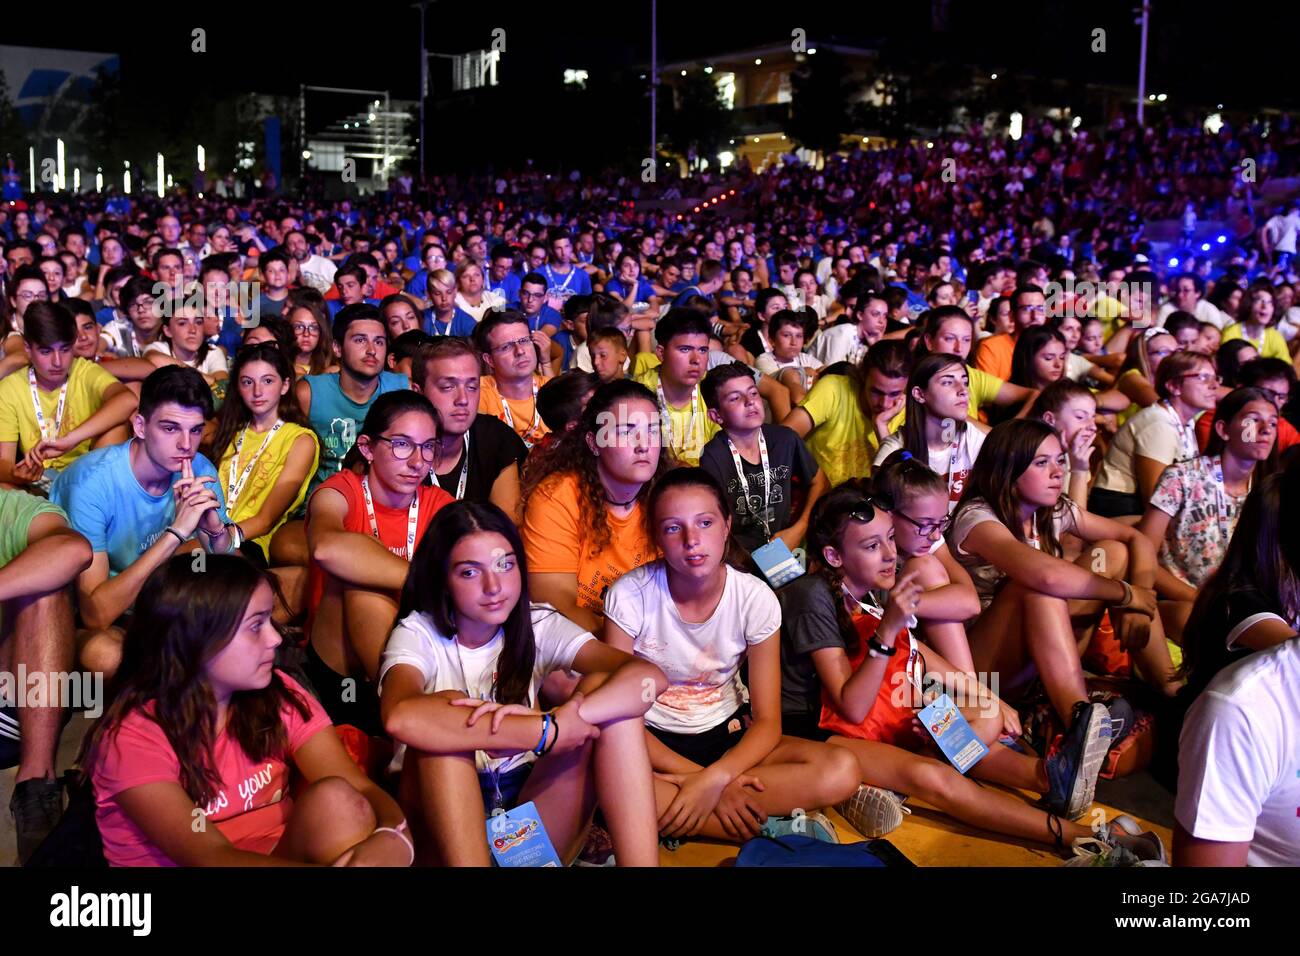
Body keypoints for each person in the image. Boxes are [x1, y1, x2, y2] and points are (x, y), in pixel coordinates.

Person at [787, 484, 1162, 859]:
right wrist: (888, 629)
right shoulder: (813, 595)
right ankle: (1087, 838)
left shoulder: (867, 585)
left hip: (876, 715)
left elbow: (919, 653)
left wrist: (988, 698)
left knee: (966, 723)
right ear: (834, 555)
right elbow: (850, 706)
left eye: (889, 539)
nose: (889, 554)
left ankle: (1049, 777)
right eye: (871, 546)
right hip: (820, 734)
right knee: (933, 776)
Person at [378, 501, 664, 866]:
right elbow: (400, 718)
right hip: (441, 811)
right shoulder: (418, 633)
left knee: (607, 694)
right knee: (444, 718)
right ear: (443, 580)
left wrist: (570, 718)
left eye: (506, 564)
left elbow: (648, 678)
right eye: (469, 573)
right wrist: (539, 731)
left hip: (524, 803)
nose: (494, 586)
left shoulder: (537, 622)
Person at [85, 555, 412, 867]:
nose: (274, 639)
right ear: (197, 641)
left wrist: (396, 836)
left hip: (278, 853)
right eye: (256, 626)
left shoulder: (276, 692)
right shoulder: (132, 737)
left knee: (339, 803)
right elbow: (210, 858)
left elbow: (360, 787)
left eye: (270, 620)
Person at [603, 468, 861, 844]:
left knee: (841, 769)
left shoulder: (754, 598)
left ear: (726, 526)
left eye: (705, 523)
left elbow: (769, 722)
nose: (692, 540)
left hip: (726, 736)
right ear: (656, 536)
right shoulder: (630, 596)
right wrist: (704, 781)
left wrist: (717, 778)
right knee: (612, 783)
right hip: (648, 741)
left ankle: (685, 812)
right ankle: (770, 831)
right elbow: (617, 716)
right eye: (674, 528)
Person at [948, 419, 1179, 727]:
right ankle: (1079, 719)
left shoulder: (1053, 510)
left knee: (1112, 552)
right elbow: (1047, 576)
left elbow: (1135, 538)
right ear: (1008, 472)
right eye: (1041, 463)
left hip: (1040, 659)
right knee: (1034, 587)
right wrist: (1125, 593)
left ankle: (1169, 689)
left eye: (1060, 460)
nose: (1057, 472)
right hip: (981, 672)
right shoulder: (977, 519)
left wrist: (1141, 597)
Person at [51, 366, 235, 679]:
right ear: (139, 425)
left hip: (152, 600)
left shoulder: (200, 467)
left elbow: (229, 574)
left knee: (231, 614)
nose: (185, 444)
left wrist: (214, 530)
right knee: (104, 655)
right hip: (81, 612)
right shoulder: (91, 484)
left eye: (195, 430)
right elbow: (96, 613)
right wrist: (175, 533)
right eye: (170, 428)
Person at [304, 392, 454, 737]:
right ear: (368, 448)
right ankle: (403, 705)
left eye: (428, 447)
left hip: (420, 658)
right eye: (402, 444)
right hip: (341, 674)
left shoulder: (439, 504)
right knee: (360, 573)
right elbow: (326, 548)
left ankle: (410, 704)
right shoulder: (342, 490)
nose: (417, 461)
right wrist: (420, 584)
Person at [522, 380, 668, 633]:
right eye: (625, 431)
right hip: (580, 644)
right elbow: (554, 604)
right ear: (593, 442)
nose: (644, 444)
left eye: (653, 430)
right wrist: (626, 643)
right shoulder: (556, 496)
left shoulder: (673, 494)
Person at [1137, 388, 1278, 646]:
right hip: (1183, 600)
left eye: (1272, 423)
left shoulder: (1269, 491)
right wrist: (1198, 598)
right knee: (1195, 621)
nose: (1266, 430)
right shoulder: (1182, 477)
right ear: (1223, 430)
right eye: (1253, 420)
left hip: (1243, 606)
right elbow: (1142, 552)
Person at [0, 487, 93, 863]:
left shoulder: (11, 506)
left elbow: (74, 551)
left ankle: (36, 782)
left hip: (12, 691)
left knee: (46, 588)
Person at [0, 301, 136, 488]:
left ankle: (91, 503)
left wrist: (68, 441)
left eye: (64, 349)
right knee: (4, 488)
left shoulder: (82, 370)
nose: (57, 362)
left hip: (88, 476)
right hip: (38, 480)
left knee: (117, 426)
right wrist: (17, 474)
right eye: (46, 351)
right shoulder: (10, 388)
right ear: (28, 349)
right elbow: (4, 462)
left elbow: (128, 400)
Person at [699, 362, 828, 556]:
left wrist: (799, 528)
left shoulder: (785, 439)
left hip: (785, 545)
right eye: (735, 398)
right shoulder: (712, 457)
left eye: (753, 393)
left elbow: (820, 482)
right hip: (736, 556)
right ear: (716, 415)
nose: (750, 401)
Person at [208, 343, 320, 565]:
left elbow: (265, 520)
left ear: (285, 385)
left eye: (267, 381)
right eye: (247, 382)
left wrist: (220, 539)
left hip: (250, 541)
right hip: (208, 533)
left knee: (191, 556)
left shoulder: (301, 440)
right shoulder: (230, 431)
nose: (257, 391)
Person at [409, 337, 528, 518]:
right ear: (418, 392)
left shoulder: (495, 438)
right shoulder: (391, 446)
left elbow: (507, 527)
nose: (463, 399)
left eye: (472, 387)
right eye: (448, 387)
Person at [1091, 350, 1219, 517]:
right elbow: (1156, 498)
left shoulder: (1185, 422)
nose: (1214, 385)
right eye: (1203, 377)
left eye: (1216, 378)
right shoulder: (1158, 423)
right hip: (1120, 510)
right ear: (1174, 386)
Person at [296, 303, 408, 492]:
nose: (372, 350)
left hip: (382, 502)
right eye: (360, 340)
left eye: (379, 342)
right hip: (321, 501)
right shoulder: (309, 393)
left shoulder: (402, 390)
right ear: (337, 348)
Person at [783, 340, 912, 487]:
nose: (885, 404)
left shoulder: (908, 412)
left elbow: (900, 485)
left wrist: (882, 429)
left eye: (895, 394)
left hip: (866, 505)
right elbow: (783, 438)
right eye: (876, 392)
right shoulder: (834, 388)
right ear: (863, 376)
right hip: (815, 496)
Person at [874, 353, 989, 511]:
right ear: (919, 394)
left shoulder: (973, 437)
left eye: (965, 382)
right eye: (948, 382)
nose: (963, 390)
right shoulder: (893, 450)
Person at [633, 308, 720, 466]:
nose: (696, 360)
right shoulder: (637, 394)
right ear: (661, 353)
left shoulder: (713, 387)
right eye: (685, 349)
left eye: (703, 350)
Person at [474, 310, 555, 450]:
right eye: (506, 346)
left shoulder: (551, 389)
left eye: (524, 341)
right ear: (489, 360)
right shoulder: (477, 393)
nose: (520, 351)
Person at [144, 291, 229, 384]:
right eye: (182, 323)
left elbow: (221, 388)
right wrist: (210, 381)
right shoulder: (159, 348)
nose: (192, 330)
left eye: (198, 322)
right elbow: (154, 359)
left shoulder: (213, 352)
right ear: (167, 331)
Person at [973, 285, 1048, 381]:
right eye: (1027, 309)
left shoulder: (1051, 347)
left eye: (1040, 309)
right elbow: (985, 392)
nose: (1035, 316)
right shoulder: (992, 347)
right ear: (1012, 315)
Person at [754, 309, 823, 404]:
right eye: (786, 335)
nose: (794, 342)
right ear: (772, 340)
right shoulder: (764, 360)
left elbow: (824, 370)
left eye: (799, 336)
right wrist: (806, 372)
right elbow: (781, 387)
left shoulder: (806, 358)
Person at [1221, 285, 1289, 361]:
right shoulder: (1231, 333)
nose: (1265, 306)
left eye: (1270, 302)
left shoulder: (1275, 337)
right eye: (1259, 300)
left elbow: (1287, 369)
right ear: (1249, 304)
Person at [423, 270, 478, 337]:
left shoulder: (468, 323)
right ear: (429, 294)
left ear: (455, 291)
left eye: (449, 292)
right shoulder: (422, 319)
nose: (444, 298)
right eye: (438, 293)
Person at [289, 298, 335, 377]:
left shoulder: (332, 371)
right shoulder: (276, 366)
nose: (306, 334)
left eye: (313, 328)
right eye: (299, 327)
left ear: (321, 332)